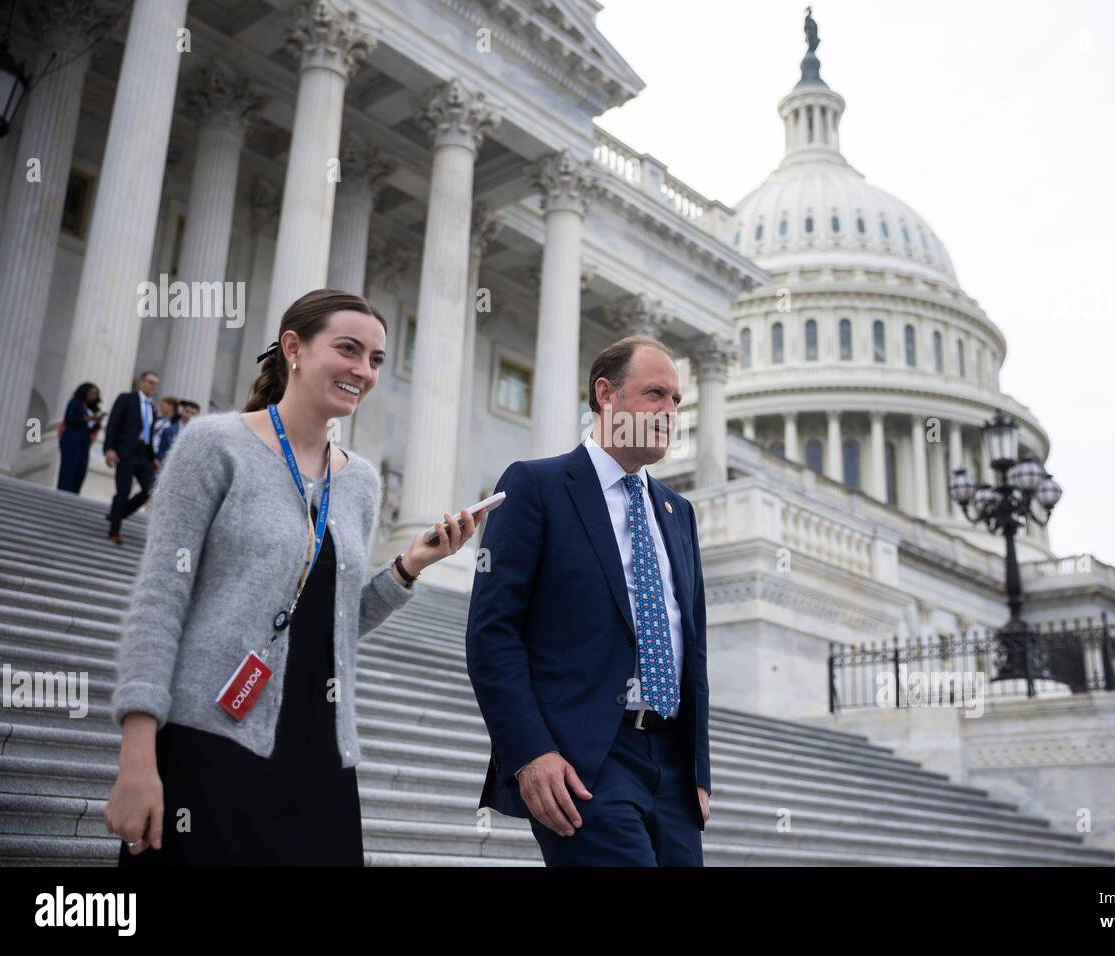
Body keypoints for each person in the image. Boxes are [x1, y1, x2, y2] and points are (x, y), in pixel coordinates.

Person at [103, 288, 483, 866]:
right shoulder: (214, 445)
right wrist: (137, 758)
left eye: (377, 359)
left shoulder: (360, 482)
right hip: (209, 741)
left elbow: (336, 624)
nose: (363, 370)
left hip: (319, 753)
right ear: (293, 349)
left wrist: (408, 567)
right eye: (349, 349)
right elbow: (159, 601)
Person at [466, 335, 712, 866]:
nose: (670, 411)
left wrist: (699, 770)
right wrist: (530, 752)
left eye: (677, 401)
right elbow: (493, 634)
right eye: (655, 394)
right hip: (584, 760)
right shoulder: (536, 486)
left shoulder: (678, 513)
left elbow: (693, 647)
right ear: (606, 394)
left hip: (670, 765)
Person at [102, 371, 162, 544]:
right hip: (125, 453)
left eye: (156, 384)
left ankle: (117, 514)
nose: (153, 386)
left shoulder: (152, 407)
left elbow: (149, 434)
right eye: (150, 382)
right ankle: (114, 532)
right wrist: (109, 448)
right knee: (123, 491)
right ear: (140, 383)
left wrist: (154, 458)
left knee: (149, 489)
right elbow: (113, 423)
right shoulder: (126, 399)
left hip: (144, 455)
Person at [57, 382, 103, 494]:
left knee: (81, 469)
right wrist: (88, 419)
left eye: (96, 394)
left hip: (84, 442)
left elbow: (91, 427)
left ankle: (74, 494)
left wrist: (97, 421)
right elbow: (69, 418)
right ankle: (63, 494)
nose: (94, 396)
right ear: (84, 392)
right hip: (72, 440)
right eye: (92, 393)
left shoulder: (91, 408)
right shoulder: (75, 402)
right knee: (69, 468)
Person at [157, 399, 197, 463]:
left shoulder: (197, 435)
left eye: (193, 414)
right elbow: (161, 453)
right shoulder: (168, 430)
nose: (189, 415)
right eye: (187, 411)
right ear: (182, 411)